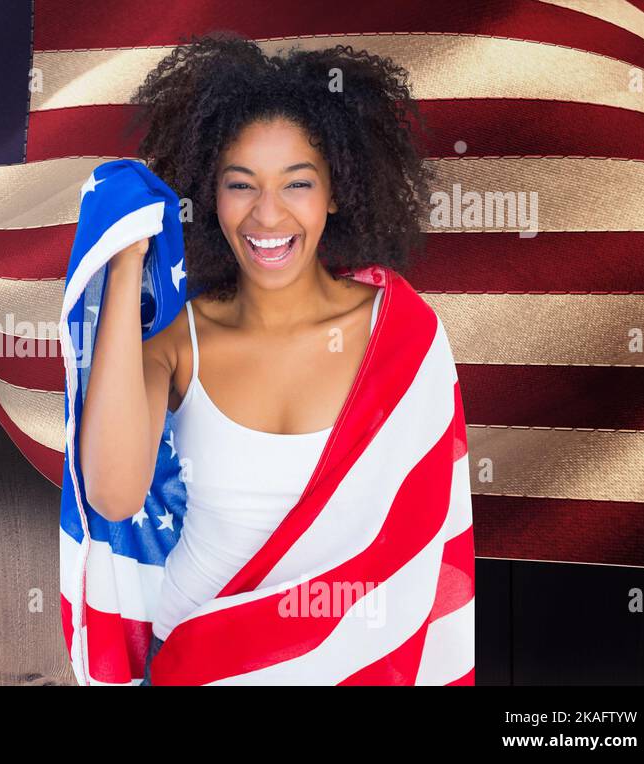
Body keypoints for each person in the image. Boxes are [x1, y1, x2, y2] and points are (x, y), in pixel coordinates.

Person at [76, 32, 435, 684]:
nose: (267, 215)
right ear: (211, 196)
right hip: (197, 655)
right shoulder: (180, 338)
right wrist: (126, 254)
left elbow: (425, 539)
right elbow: (111, 492)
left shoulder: (402, 330)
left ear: (336, 190)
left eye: (297, 183)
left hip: (353, 662)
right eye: (240, 185)